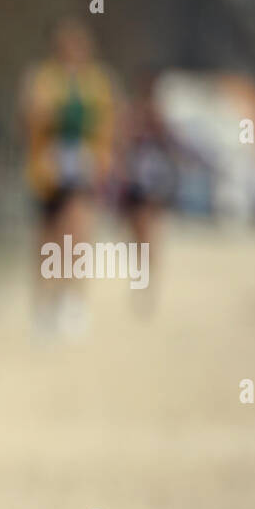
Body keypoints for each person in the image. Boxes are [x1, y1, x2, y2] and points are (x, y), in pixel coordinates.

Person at [21, 19, 117, 338]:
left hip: (83, 166)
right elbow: (32, 113)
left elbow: (108, 121)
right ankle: (45, 302)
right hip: (48, 167)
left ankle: (73, 298)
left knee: (76, 233)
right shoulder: (44, 77)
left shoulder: (97, 81)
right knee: (49, 238)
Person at [117, 68, 177, 312]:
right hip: (136, 181)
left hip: (152, 182)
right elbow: (121, 142)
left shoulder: (157, 114)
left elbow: (169, 144)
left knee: (147, 237)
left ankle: (146, 282)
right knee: (138, 238)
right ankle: (142, 280)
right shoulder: (131, 113)